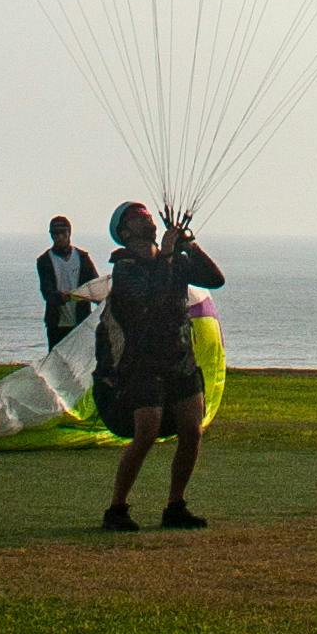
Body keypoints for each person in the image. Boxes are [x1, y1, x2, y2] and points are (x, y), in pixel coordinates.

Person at [95, 200, 224, 533]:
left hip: (179, 356)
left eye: (147, 215)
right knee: (146, 433)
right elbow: (149, 299)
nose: (148, 219)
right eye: (138, 218)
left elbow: (215, 279)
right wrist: (167, 255)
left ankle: (175, 505)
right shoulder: (125, 269)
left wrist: (189, 246)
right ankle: (117, 508)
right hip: (142, 361)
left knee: (192, 430)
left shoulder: (175, 262)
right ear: (125, 233)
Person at [36, 215, 98, 346]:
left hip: (81, 321)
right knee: (56, 362)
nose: (59, 237)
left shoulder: (82, 258)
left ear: (69, 233)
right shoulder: (44, 261)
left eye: (62, 233)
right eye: (55, 234)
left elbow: (94, 285)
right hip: (56, 323)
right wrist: (60, 297)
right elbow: (46, 291)